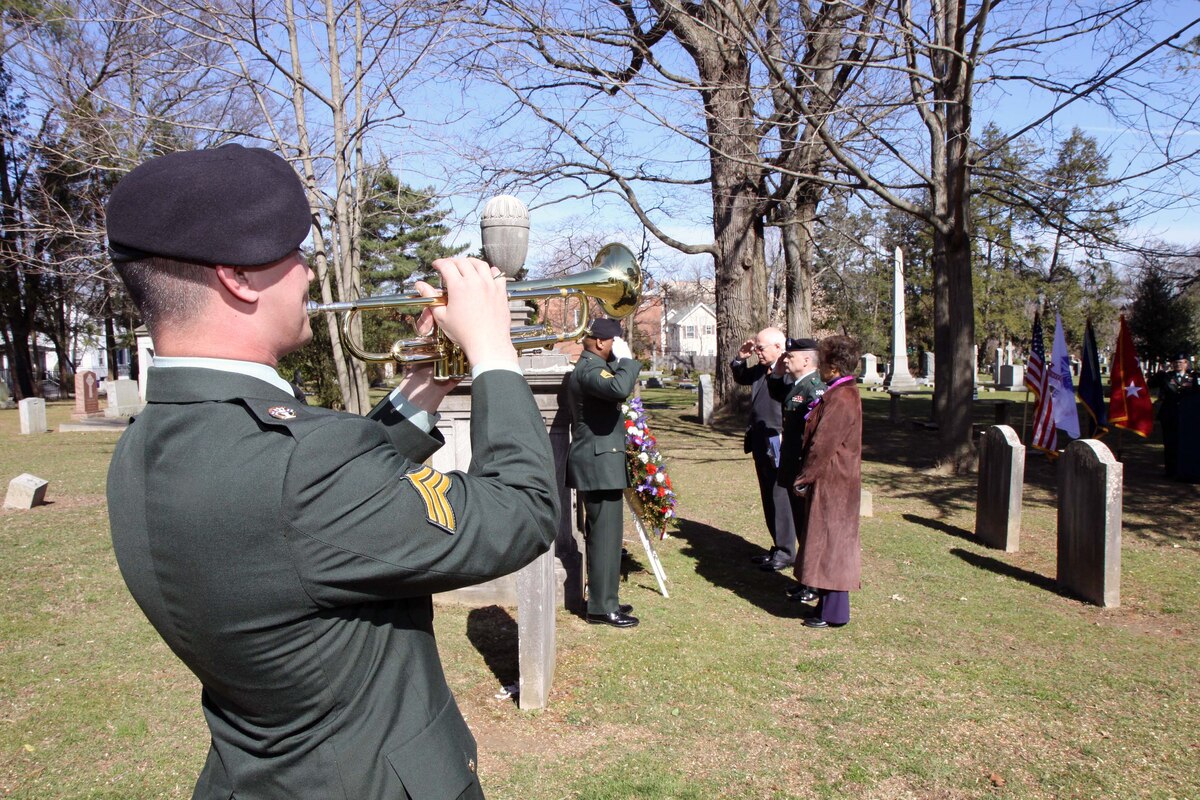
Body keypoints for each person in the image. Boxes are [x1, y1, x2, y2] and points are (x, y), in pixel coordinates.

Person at [104, 144, 559, 799]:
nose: (309, 274)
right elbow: (522, 509)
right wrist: (493, 350)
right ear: (237, 275)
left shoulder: (143, 448)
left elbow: (320, 507)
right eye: (295, 254)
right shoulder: (301, 468)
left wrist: (427, 383)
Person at [566, 316, 642, 628]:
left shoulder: (592, 366)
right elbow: (620, 388)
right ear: (600, 342)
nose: (615, 347)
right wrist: (626, 358)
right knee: (604, 537)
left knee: (609, 538)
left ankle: (605, 598)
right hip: (598, 464)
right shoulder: (588, 369)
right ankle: (600, 606)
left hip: (602, 462)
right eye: (613, 341)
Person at [792, 335, 863, 629]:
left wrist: (805, 475)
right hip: (830, 478)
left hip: (834, 480)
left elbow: (824, 443)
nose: (820, 367)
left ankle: (834, 612)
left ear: (833, 367)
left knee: (834, 542)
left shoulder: (843, 397)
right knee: (825, 541)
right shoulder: (838, 392)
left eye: (824, 362)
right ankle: (825, 602)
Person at [731, 327, 796, 572]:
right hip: (759, 439)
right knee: (768, 496)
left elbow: (795, 403)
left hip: (777, 440)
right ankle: (778, 545)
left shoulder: (789, 371)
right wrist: (740, 357)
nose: (757, 352)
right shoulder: (760, 369)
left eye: (761, 348)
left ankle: (787, 551)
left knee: (780, 496)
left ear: (778, 348)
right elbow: (741, 377)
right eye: (756, 348)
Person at [767, 337, 826, 603]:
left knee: (810, 530)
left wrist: (806, 474)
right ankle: (806, 580)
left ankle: (815, 584)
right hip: (791, 467)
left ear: (806, 359)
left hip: (804, 470)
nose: (785, 358)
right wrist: (778, 372)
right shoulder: (798, 385)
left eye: (790, 355)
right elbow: (778, 394)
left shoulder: (817, 389)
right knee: (802, 527)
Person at [1156, 353, 1199, 477]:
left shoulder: (1194, 377)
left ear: (1186, 363)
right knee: (1170, 443)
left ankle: (1185, 470)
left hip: (1189, 416)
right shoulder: (1166, 376)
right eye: (1175, 362)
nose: (1177, 365)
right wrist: (1161, 372)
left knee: (1186, 443)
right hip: (1169, 415)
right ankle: (1170, 471)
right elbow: (1151, 384)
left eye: (1180, 362)